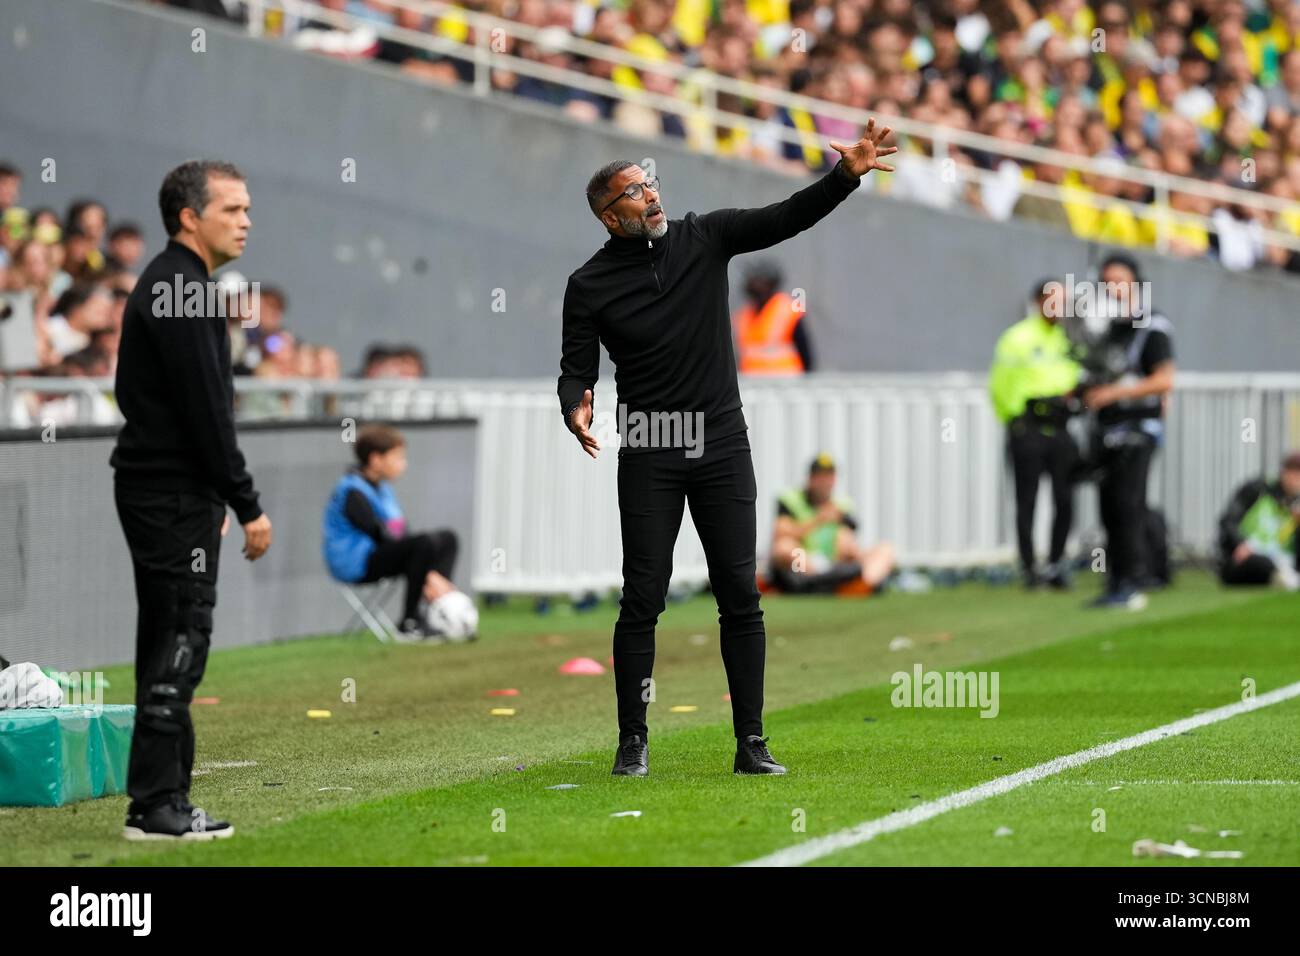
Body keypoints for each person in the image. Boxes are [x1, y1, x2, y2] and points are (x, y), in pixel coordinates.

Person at [559, 119, 897, 777]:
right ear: (609, 215)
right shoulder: (589, 285)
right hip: (652, 448)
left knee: (739, 592)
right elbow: (575, 364)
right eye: (633, 191)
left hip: (720, 441)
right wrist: (574, 401)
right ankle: (633, 741)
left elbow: (786, 217)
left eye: (649, 183)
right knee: (643, 597)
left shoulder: (704, 236)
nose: (650, 195)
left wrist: (845, 177)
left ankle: (751, 744)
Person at [111, 159, 272, 840]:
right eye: (232, 209)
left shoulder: (174, 284)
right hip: (172, 495)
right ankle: (154, 806)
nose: (246, 221)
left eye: (247, 209)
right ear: (189, 216)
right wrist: (247, 502)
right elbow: (210, 415)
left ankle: (165, 795)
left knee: (167, 637)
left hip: (167, 491)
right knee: (182, 638)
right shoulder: (184, 290)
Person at [1082, 252, 1175, 610]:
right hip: (1108, 431)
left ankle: (1135, 581)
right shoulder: (1107, 329)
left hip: (1137, 430)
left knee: (1127, 504)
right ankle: (1116, 581)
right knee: (1109, 508)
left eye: (1119, 282)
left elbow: (1165, 379)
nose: (1113, 289)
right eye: (1107, 283)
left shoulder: (1152, 324)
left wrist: (1115, 393)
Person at [321, 424, 463, 639]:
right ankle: (409, 622)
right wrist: (430, 575)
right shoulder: (352, 491)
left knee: (446, 539)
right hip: (356, 564)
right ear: (376, 460)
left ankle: (437, 612)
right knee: (422, 544)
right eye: (397, 458)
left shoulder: (383, 488)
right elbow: (380, 536)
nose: (403, 464)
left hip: (378, 554)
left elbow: (399, 532)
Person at [988, 278, 1083, 589]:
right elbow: (999, 385)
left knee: (1065, 499)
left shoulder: (1066, 338)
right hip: (1028, 427)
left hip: (1060, 427)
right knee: (1026, 499)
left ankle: (1055, 563)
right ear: (1039, 301)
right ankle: (1030, 567)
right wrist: (1014, 420)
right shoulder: (1017, 338)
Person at [769, 453, 895, 594]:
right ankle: (827, 580)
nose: (824, 482)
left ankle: (860, 584)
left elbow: (850, 542)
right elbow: (780, 533)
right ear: (810, 478)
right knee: (785, 547)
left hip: (835, 563)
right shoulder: (791, 500)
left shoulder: (843, 505)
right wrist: (818, 520)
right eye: (820, 477)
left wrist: (849, 548)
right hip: (805, 565)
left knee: (885, 549)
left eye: (828, 477)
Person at [1217, 452, 1300, 590]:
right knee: (1260, 563)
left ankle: (1284, 577)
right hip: (1250, 555)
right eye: (1294, 474)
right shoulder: (1257, 490)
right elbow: (1228, 521)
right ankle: (1283, 578)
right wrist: (1239, 544)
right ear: (1284, 473)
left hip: (1285, 559)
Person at [732, 260, 813, 375]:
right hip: (751, 383)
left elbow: (805, 351)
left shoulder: (787, 310)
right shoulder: (743, 315)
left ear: (771, 284)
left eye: (760, 281)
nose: (754, 285)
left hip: (785, 382)